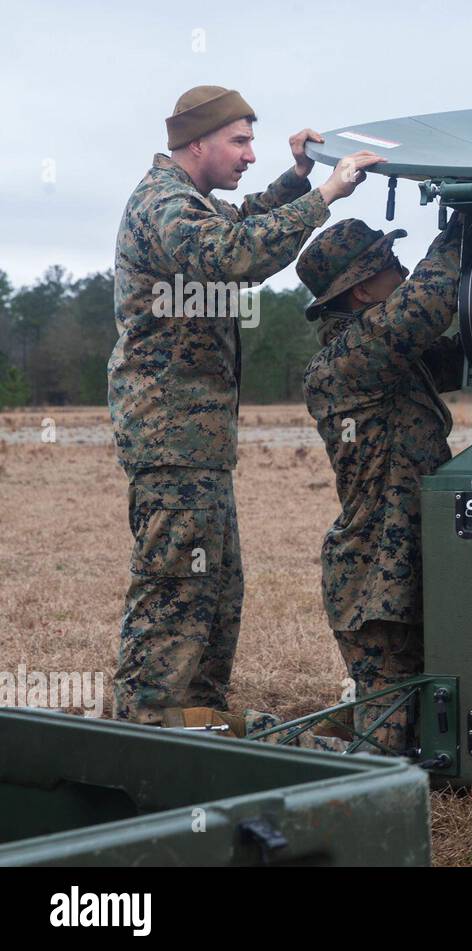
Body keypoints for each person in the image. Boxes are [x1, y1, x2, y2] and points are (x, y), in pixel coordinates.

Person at [109, 84, 383, 724]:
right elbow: (232, 254)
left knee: (215, 584)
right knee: (175, 587)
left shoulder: (193, 203)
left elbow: (244, 220)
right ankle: (146, 729)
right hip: (170, 437)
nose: (250, 155)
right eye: (239, 141)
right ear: (195, 143)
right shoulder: (163, 205)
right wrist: (323, 198)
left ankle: (198, 718)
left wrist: (299, 178)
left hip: (194, 443)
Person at [296, 215, 464, 753]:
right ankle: (270, 750)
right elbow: (429, 301)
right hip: (377, 579)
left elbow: (470, 353)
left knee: (423, 729)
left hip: (404, 564)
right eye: (392, 267)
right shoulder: (347, 360)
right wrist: (466, 232)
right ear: (364, 288)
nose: (403, 272)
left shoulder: (390, 359)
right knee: (384, 752)